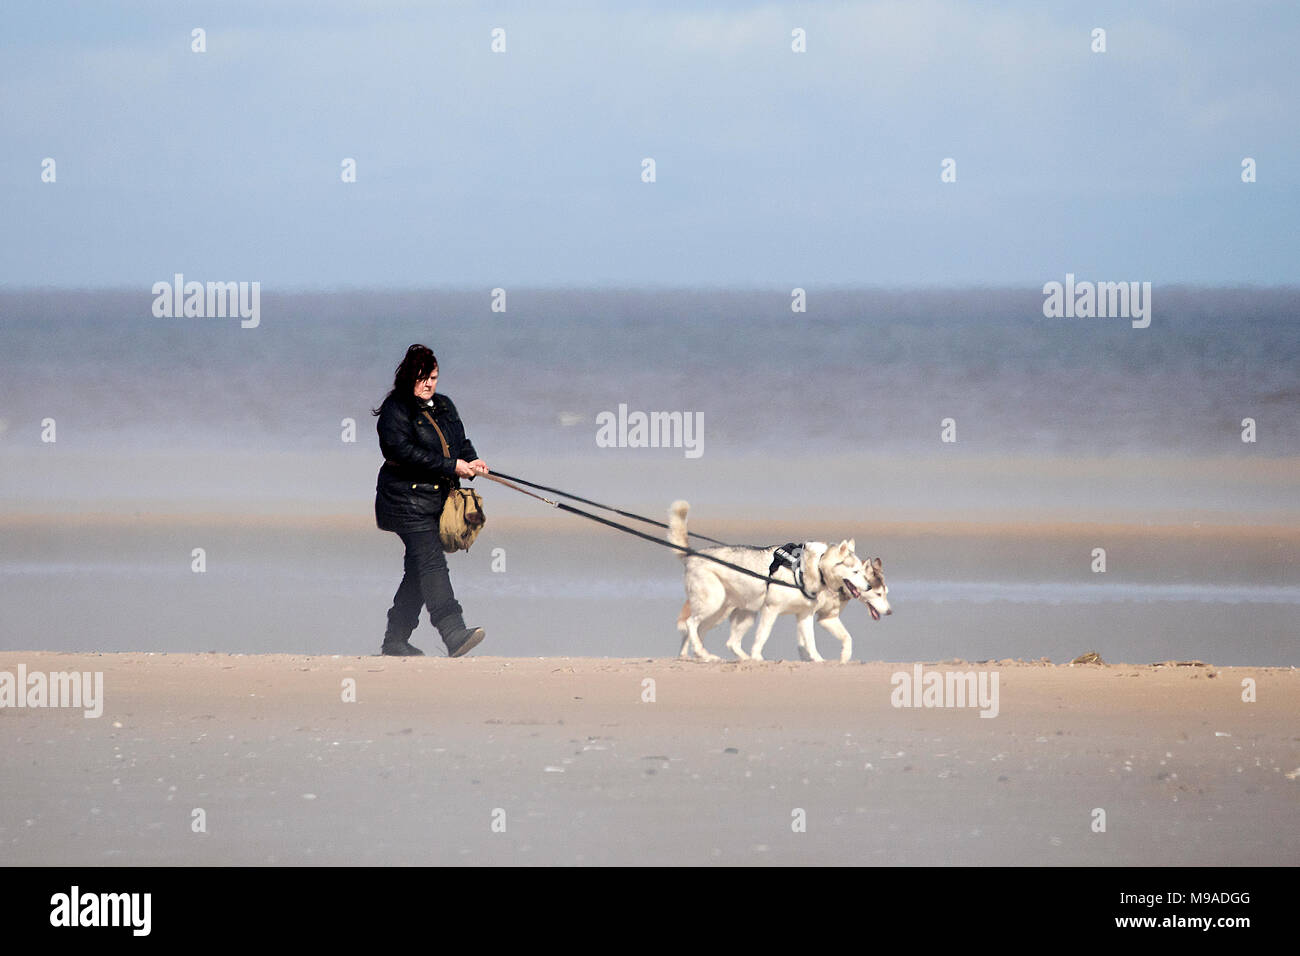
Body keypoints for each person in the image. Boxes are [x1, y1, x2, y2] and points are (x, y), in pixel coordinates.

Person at [372, 344, 489, 657]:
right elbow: (401, 452)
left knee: (418, 569)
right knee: (431, 561)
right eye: (422, 378)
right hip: (404, 500)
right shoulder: (396, 410)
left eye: (434, 377)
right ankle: (453, 632)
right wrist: (452, 466)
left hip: (436, 502)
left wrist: (472, 461)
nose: (428, 384)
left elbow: (459, 441)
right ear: (408, 377)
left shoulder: (444, 405)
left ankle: (395, 639)